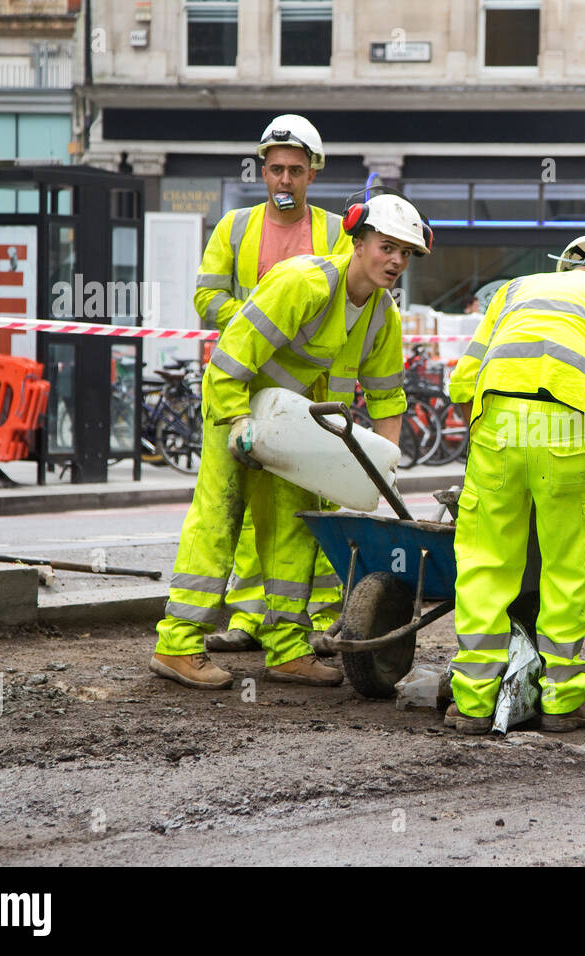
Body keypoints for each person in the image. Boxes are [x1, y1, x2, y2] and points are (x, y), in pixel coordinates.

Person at [150, 193, 430, 689]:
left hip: (297, 431)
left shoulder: (381, 314)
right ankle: (178, 645)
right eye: (388, 247)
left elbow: (388, 399)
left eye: (406, 253)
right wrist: (237, 421)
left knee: (294, 533)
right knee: (220, 520)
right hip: (238, 411)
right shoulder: (304, 283)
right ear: (358, 241)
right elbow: (231, 359)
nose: (396, 261)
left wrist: (385, 472)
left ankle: (286, 651)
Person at [445, 235, 585, 734]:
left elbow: (463, 384)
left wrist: (488, 447)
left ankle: (473, 704)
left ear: (565, 266)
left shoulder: (514, 289)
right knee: (567, 570)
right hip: (568, 435)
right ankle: (562, 701)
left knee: (484, 563)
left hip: (497, 426)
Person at [194, 114, 350, 650]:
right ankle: (246, 619)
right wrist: (262, 318)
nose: (284, 180)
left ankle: (322, 617)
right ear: (263, 171)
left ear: (313, 175)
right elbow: (206, 298)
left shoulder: (335, 232)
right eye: (276, 169)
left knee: (308, 509)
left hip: (308, 392)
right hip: (245, 384)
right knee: (245, 511)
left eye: (296, 171)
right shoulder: (235, 227)